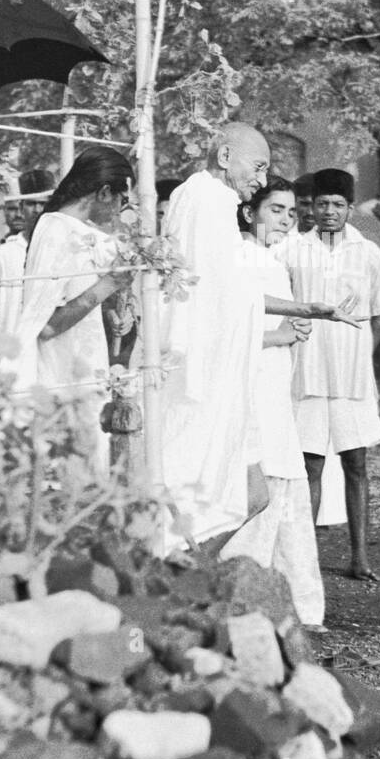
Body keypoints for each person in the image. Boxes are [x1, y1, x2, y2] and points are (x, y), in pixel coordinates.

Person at [158, 125, 358, 553]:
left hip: (225, 373)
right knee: (226, 492)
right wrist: (283, 327)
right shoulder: (205, 198)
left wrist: (305, 309)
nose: (262, 181)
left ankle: (182, 573)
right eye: (259, 166)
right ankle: (173, 574)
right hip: (204, 375)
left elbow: (232, 290)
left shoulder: (211, 200)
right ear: (226, 156)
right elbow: (205, 294)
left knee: (251, 495)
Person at [219, 175, 326, 626]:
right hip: (247, 389)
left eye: (291, 212)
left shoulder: (272, 262)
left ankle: (299, 608)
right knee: (261, 490)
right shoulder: (236, 258)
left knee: (288, 495)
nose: (286, 219)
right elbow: (222, 331)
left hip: (274, 389)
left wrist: (289, 337)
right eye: (275, 210)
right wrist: (278, 334)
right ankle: (243, 606)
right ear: (249, 212)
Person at [281, 167, 380, 582]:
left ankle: (360, 556)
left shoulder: (367, 253)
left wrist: (363, 353)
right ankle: (304, 558)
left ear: (349, 208)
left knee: (356, 464)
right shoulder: (292, 250)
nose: (329, 212)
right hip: (307, 373)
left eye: (338, 205)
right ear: (313, 207)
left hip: (352, 380)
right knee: (309, 466)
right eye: (322, 204)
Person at [0, 146, 136, 478]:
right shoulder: (55, 229)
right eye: (122, 201)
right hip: (62, 381)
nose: (121, 212)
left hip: (85, 374)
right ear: (104, 192)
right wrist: (108, 285)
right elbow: (45, 326)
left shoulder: (76, 231)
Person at [0, 168, 55, 356]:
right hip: (14, 356)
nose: (37, 210)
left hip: (52, 355)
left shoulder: (62, 251)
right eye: (31, 204)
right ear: (21, 206)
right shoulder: (5, 254)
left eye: (43, 204)